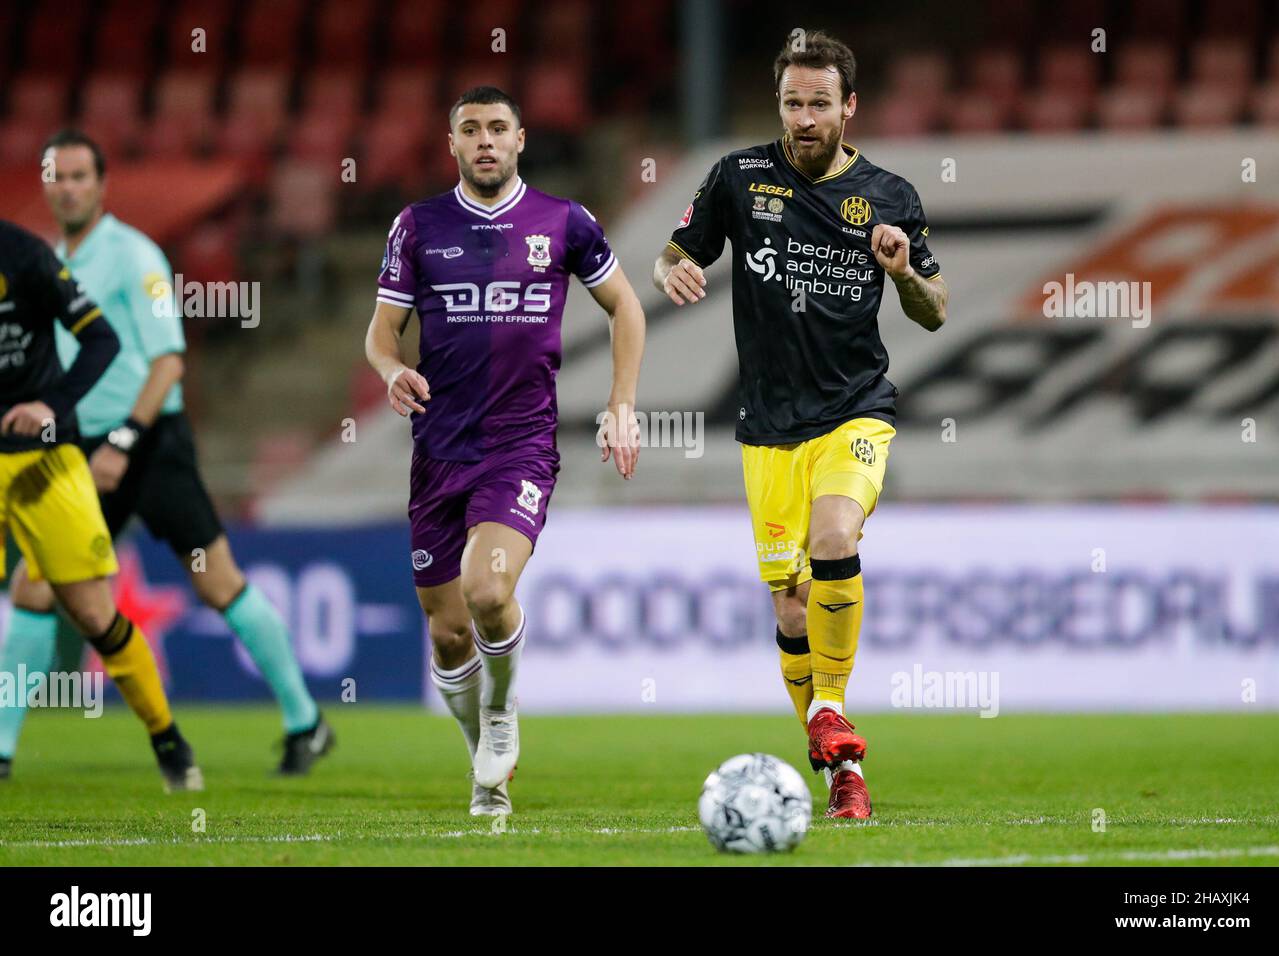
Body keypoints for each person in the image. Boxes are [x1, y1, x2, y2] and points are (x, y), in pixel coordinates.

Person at [652, 31, 949, 819]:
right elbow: (675, 249)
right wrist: (671, 265)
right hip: (767, 428)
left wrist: (902, 273)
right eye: (792, 102)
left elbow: (935, 311)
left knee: (835, 539)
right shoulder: (739, 177)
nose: (805, 117)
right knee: (789, 607)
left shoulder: (890, 196)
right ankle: (838, 773)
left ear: (849, 107)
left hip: (856, 409)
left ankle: (828, 710)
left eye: (820, 103)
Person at [0, 129, 332, 777]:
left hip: (149, 444)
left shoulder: (135, 256)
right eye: (56, 177)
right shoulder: (45, 259)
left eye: (78, 176)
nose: (66, 187)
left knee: (216, 581)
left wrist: (124, 439)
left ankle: (305, 720)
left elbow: (169, 361)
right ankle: (5, 748)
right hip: (71, 450)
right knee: (35, 588)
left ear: (101, 185)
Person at [365, 86, 644, 816]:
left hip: (519, 449)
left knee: (488, 592)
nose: (484, 140)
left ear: (521, 139)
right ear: (451, 144)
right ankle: (481, 763)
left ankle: (501, 711)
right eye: (470, 130)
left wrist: (621, 406)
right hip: (437, 453)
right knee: (449, 631)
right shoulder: (418, 226)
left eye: (497, 128)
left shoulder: (564, 221)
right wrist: (394, 370)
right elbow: (381, 332)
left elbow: (626, 306)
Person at [0, 218, 202, 791]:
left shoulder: (25, 257)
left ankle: (166, 737)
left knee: (91, 612)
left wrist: (51, 404)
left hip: (43, 455)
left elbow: (102, 338)